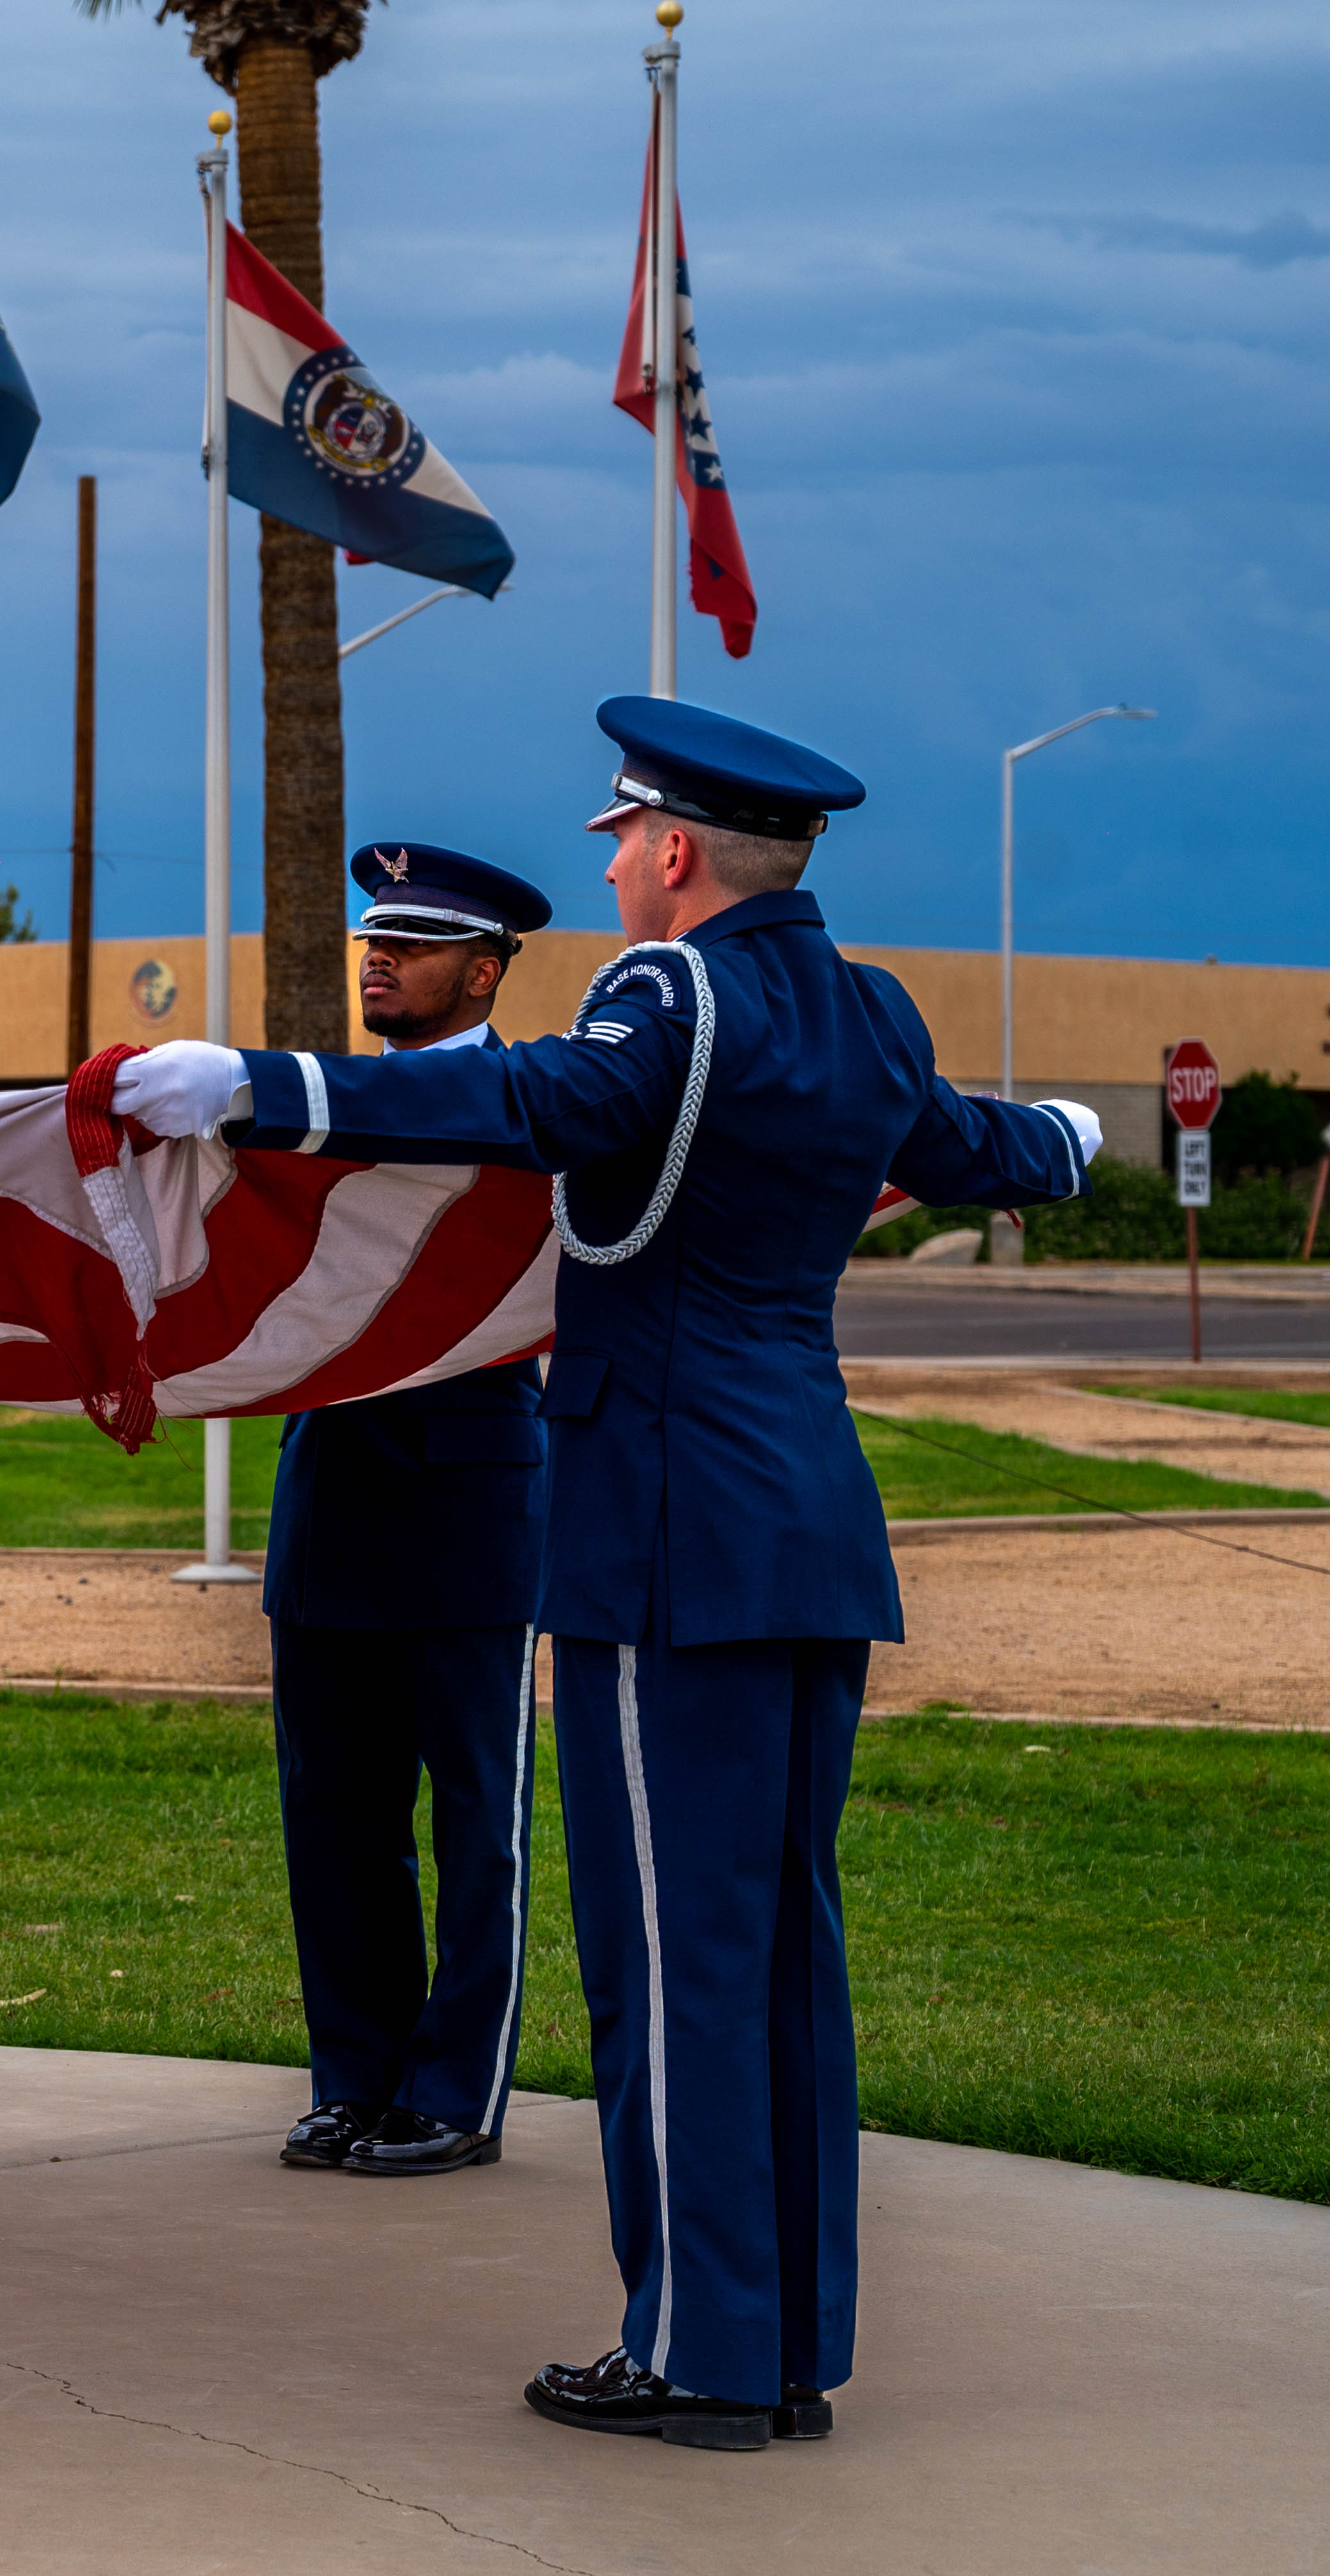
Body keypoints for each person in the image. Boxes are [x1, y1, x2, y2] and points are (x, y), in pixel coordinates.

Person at [114, 698, 1100, 2452]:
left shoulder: (671, 994)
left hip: (663, 1534)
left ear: (670, 853)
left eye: (621, 842)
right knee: (780, 1946)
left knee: (667, 1957)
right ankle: (782, 2337)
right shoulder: (865, 1009)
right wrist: (1072, 1142)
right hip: (803, 1521)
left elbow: (536, 1095)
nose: (613, 868)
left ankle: (698, 2353)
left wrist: (269, 1089)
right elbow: (971, 1150)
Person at [266, 844, 552, 2184]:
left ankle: (454, 2089)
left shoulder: (537, 1098)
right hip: (333, 1488)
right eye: (372, 939)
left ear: (483, 970)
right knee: (336, 1818)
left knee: (473, 1819)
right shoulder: (322, 1112)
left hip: (469, 1501)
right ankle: (353, 2075)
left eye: (415, 943)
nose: (377, 959)